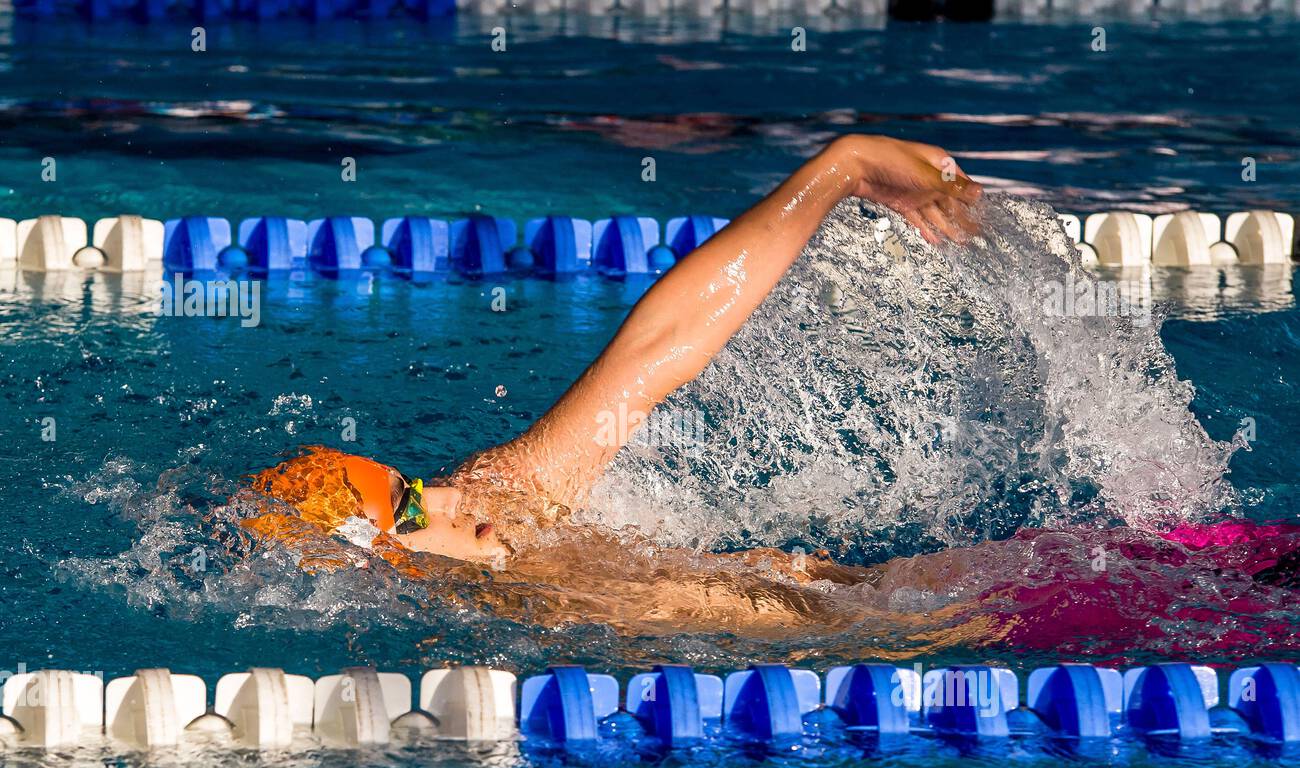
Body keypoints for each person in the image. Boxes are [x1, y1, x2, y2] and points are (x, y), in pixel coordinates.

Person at [243, 134, 982, 586]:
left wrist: (841, 168)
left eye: (412, 485)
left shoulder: (497, 497)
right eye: (407, 515)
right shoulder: (515, 629)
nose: (451, 503)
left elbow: (658, 347)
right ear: (371, 575)